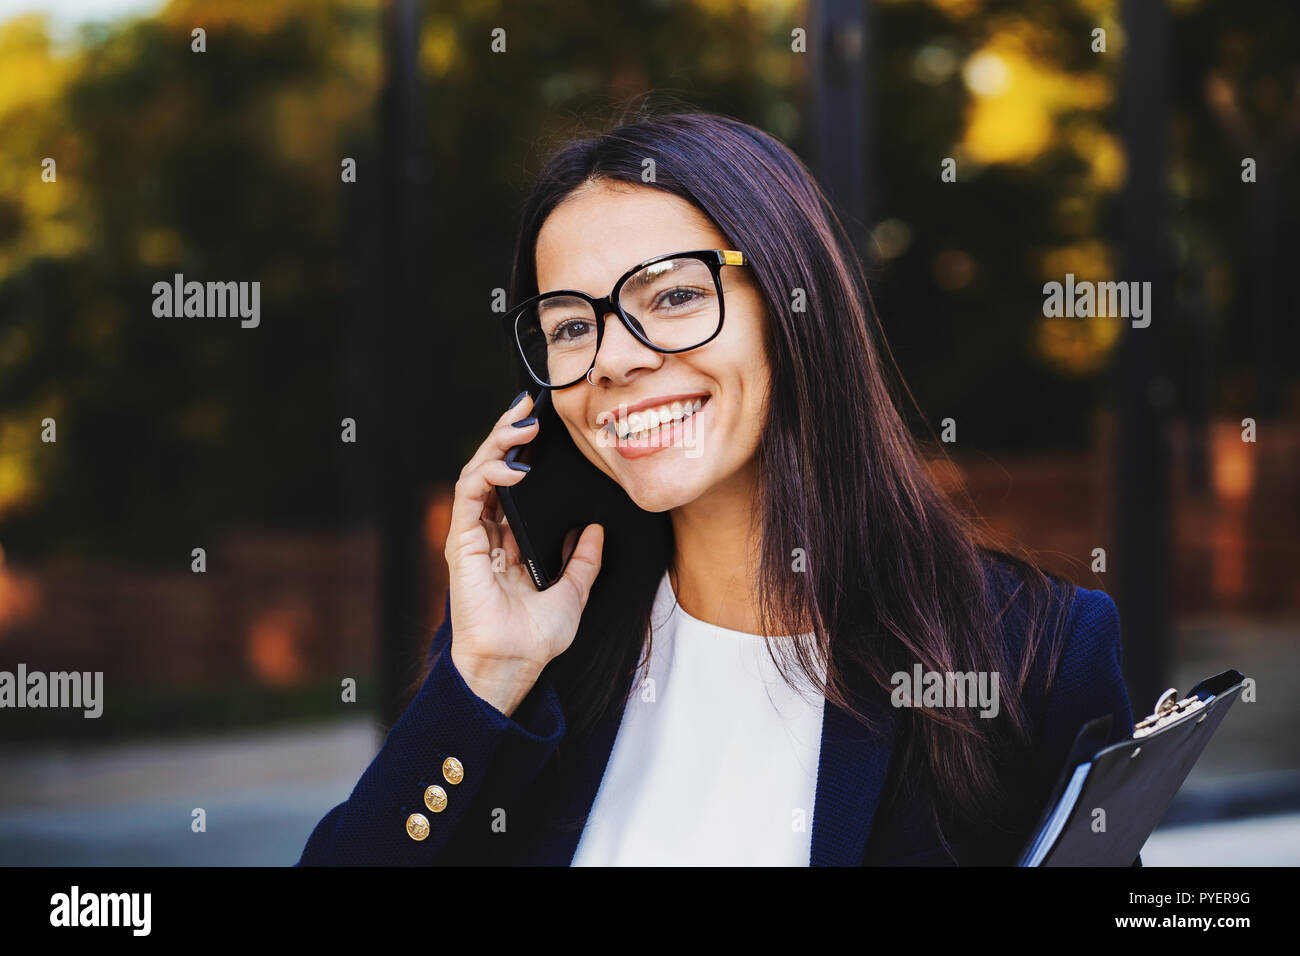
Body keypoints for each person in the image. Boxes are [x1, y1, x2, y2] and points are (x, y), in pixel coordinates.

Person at [298, 107, 1135, 866]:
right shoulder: (542, 651)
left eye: (673, 295)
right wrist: (483, 678)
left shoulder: (1034, 656)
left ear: (791, 303)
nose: (616, 358)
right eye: (570, 326)